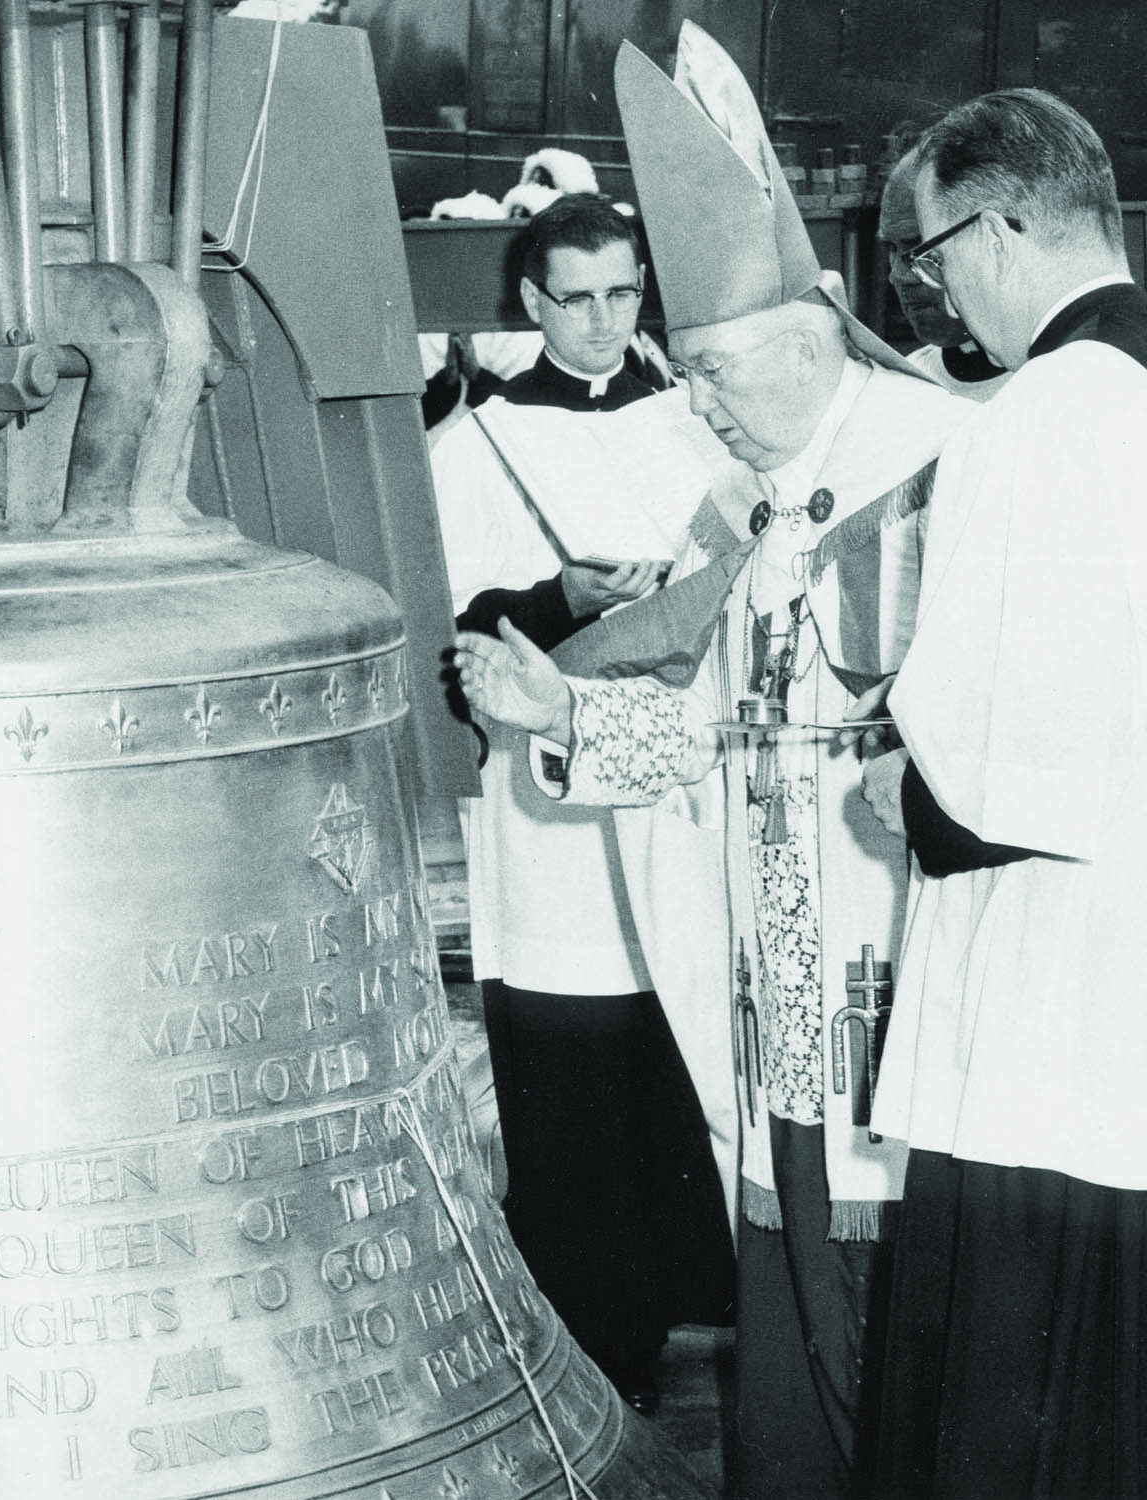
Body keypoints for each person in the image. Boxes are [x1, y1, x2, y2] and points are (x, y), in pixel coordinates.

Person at [454, 23, 973, 1500]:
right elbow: (709, 735)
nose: (703, 406)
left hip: (909, 988)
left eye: (716, 376)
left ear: (798, 348)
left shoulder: (939, 468)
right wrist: (561, 716)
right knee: (794, 1334)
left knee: (907, 1331)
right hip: (781, 1004)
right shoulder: (766, 517)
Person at [855, 88, 1147, 1500]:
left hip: (1055, 1015)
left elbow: (992, 792)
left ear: (1003, 226)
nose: (942, 292)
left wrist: (893, 789)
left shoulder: (1041, 418)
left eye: (934, 255)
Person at [431, 191, 735, 1414]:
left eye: (625, 294)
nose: (607, 321)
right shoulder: (477, 444)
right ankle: (594, 1346)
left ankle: (698, 1308)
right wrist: (562, 593)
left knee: (682, 1036)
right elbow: (448, 634)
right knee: (575, 1066)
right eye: (579, 298)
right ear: (530, 303)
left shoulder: (700, 422)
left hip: (679, 781)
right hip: (547, 808)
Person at [877, 147, 1011, 401]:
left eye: (920, 246)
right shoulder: (906, 386)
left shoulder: (1064, 383)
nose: (898, 276)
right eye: (892, 249)